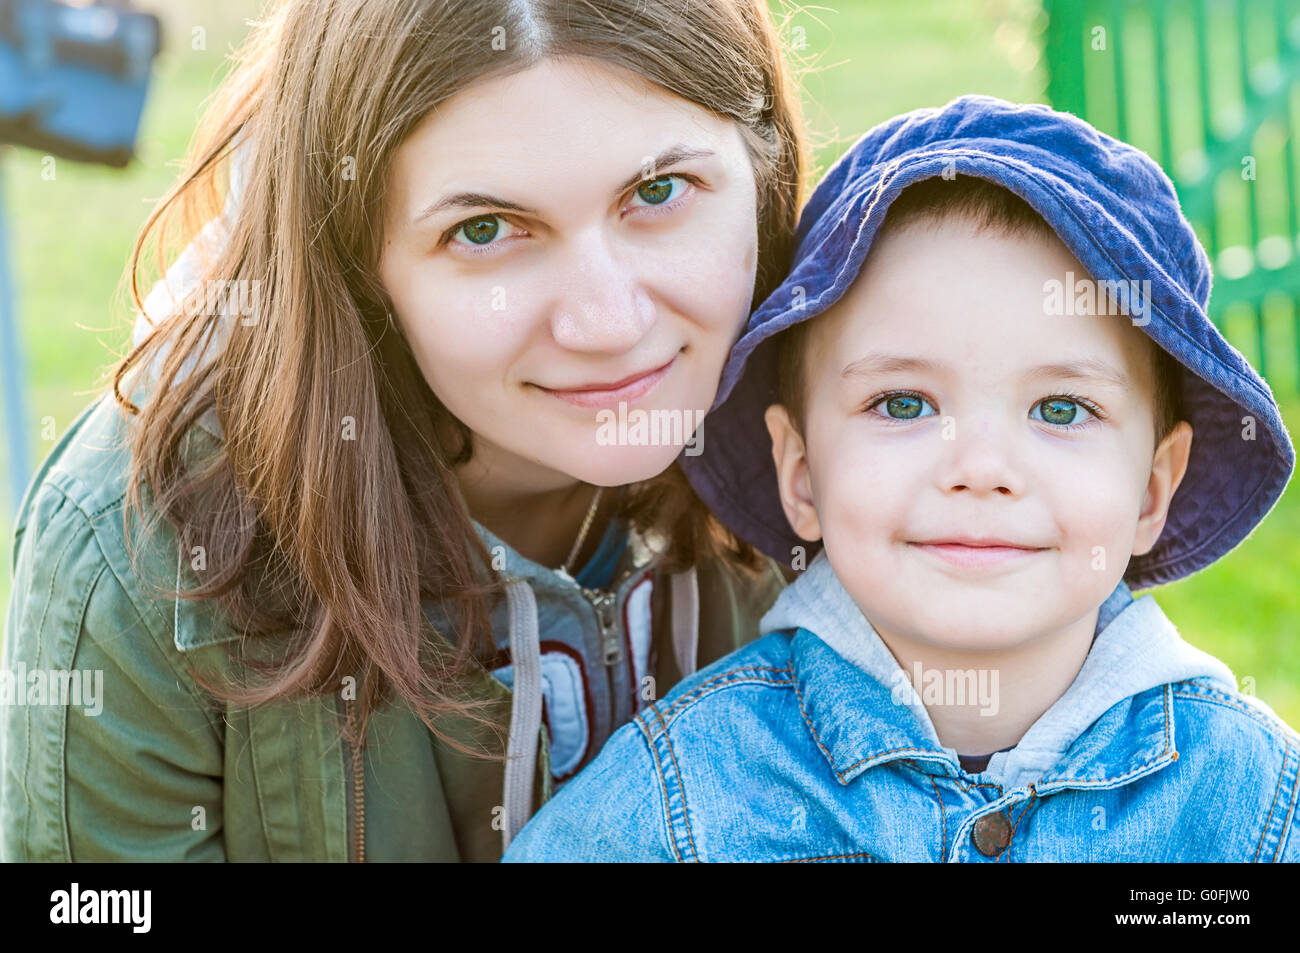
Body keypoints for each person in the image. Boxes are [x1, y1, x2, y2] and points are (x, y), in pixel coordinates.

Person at [0, 0, 809, 861]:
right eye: (485, 229)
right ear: (358, 265)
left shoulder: (878, 432)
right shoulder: (140, 551)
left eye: (658, 192)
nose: (606, 322)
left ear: (761, 176)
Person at [503, 96, 1299, 862]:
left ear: (1153, 490)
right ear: (803, 473)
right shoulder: (676, 808)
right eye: (904, 402)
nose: (981, 469)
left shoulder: (1254, 805)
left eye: (1061, 408)